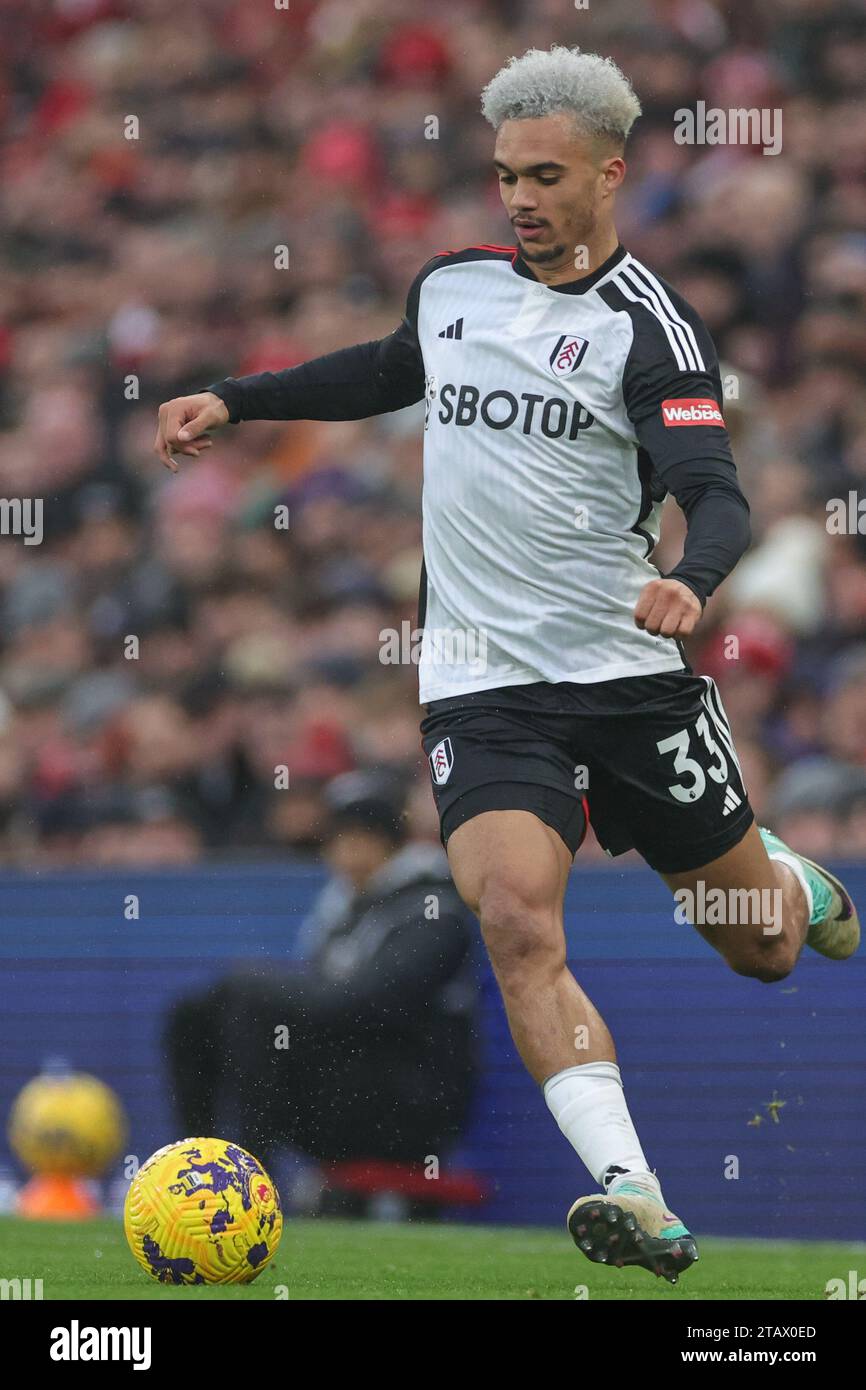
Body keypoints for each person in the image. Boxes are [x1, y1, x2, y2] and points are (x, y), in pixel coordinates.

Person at [154, 46, 859, 1283]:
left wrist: (687, 582)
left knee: (756, 948)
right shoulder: (452, 288)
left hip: (625, 679)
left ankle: (789, 885)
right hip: (482, 688)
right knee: (515, 919)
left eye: (544, 176)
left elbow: (714, 492)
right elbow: (384, 369)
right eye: (502, 177)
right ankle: (635, 1195)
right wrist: (236, 397)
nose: (520, 199)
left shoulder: (650, 332)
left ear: (609, 174)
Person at [164, 771, 478, 1186]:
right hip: (347, 1084)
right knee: (192, 1016)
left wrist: (251, 984)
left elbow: (368, 1003)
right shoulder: (338, 909)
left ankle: (251, 1183)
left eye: (361, 835)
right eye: (338, 838)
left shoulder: (434, 908)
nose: (345, 851)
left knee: (251, 1006)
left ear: (390, 841)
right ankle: (196, 1167)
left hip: (410, 1100)